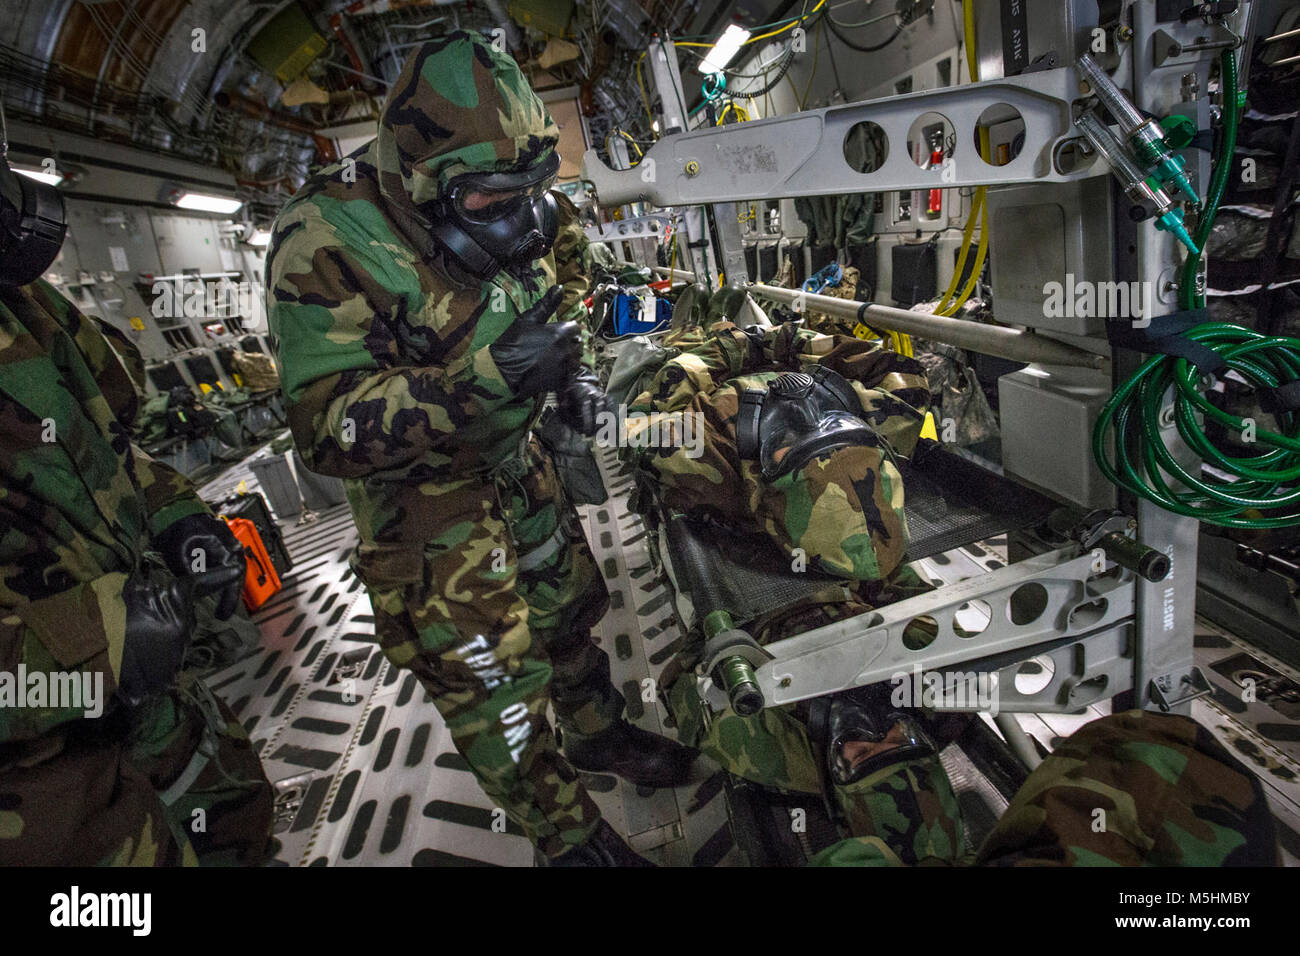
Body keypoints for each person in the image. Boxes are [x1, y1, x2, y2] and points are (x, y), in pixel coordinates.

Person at [266, 31, 695, 866]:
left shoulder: (519, 198)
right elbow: (326, 429)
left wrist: (570, 380)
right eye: (491, 206)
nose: (522, 218)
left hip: (517, 467)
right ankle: (568, 839)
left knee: (571, 616)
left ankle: (600, 736)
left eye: (532, 192)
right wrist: (483, 379)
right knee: (495, 686)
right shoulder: (323, 239)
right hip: (426, 511)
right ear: (424, 187)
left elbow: (559, 293)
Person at [0, 144, 274, 865]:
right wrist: (97, 644)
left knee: (241, 833)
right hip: (48, 801)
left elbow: (111, 441)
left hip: (160, 719)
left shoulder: (23, 300)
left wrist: (176, 513)